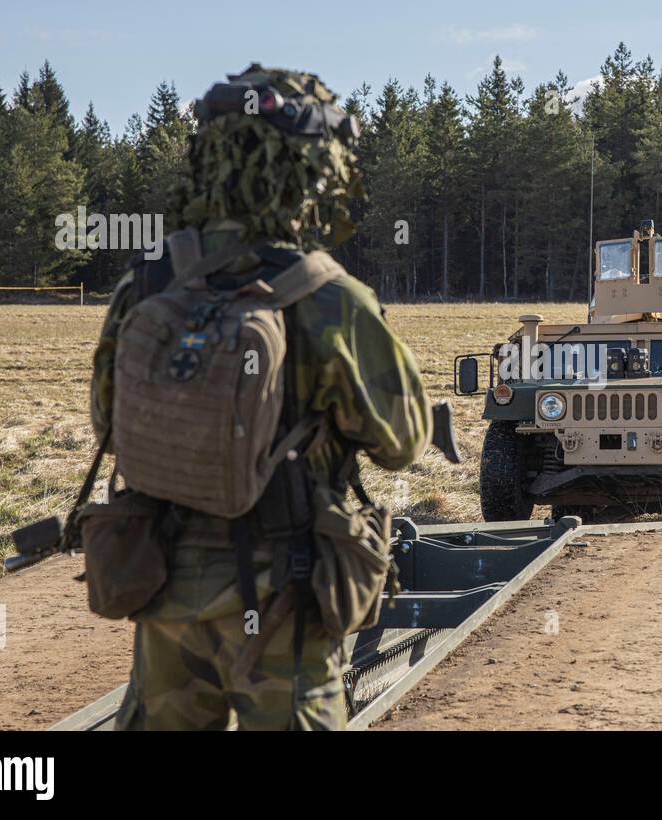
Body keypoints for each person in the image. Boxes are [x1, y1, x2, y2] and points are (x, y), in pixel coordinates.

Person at [89, 65, 430, 730]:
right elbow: (403, 441)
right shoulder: (327, 297)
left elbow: (109, 420)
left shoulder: (150, 283)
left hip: (163, 595)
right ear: (309, 170)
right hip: (284, 600)